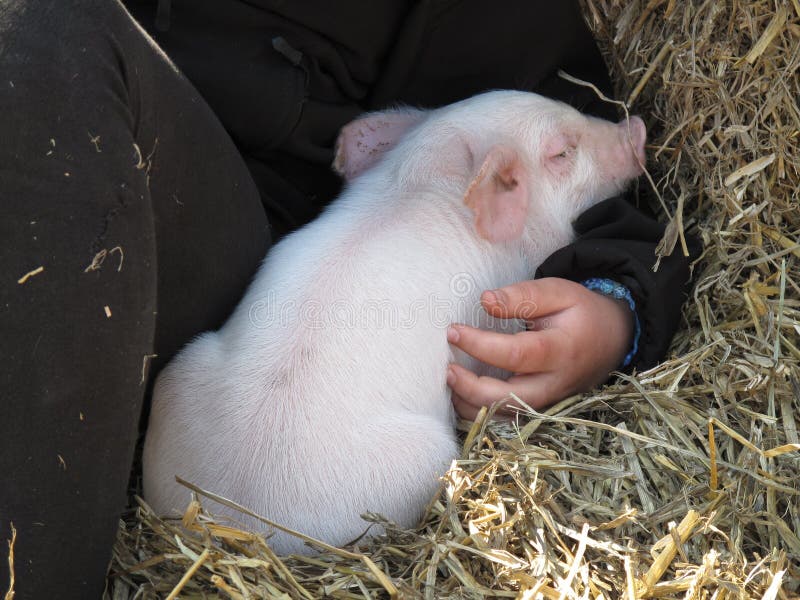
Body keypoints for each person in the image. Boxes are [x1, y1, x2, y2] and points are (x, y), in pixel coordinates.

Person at [0, 1, 697, 598]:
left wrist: (616, 306)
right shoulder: (471, 183)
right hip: (101, 220)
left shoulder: (485, 84)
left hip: (232, 291)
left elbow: (583, 149)